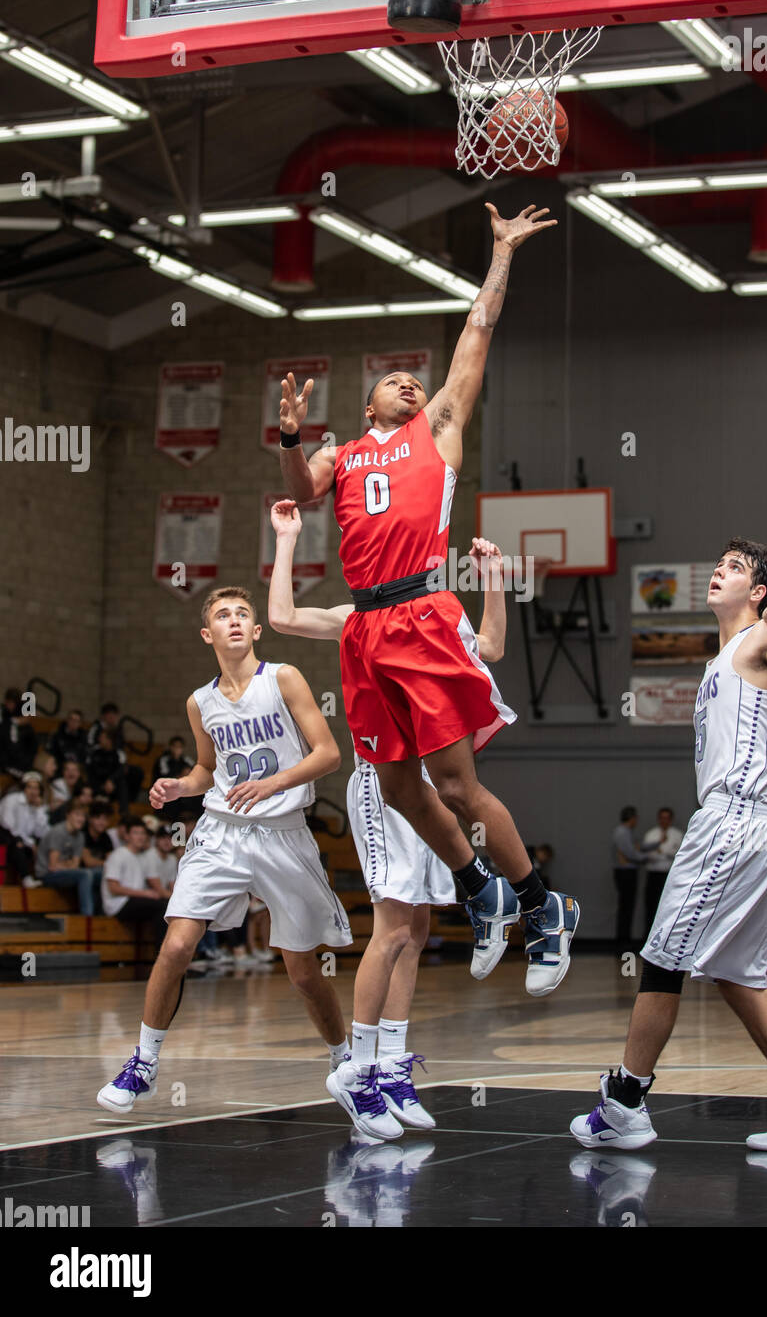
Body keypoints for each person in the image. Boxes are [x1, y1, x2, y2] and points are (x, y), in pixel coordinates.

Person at [277, 202, 579, 997]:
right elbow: (299, 489)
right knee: (397, 785)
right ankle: (479, 885)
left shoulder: (437, 431)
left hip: (420, 611)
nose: (411, 383)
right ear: (368, 403)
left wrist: (503, 255)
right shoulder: (339, 454)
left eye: (417, 379)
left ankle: (542, 905)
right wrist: (288, 439)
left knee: (455, 786)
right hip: (365, 626)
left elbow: (476, 332)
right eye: (394, 380)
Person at [570, 538, 767, 1154]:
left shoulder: (761, 637)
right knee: (738, 976)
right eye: (717, 562)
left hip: (737, 821)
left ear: (757, 592)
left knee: (664, 960)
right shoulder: (725, 653)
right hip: (758, 824)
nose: (719, 571)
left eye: (736, 568)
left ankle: (625, 1104)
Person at [270, 499, 508, 1136]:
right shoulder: (359, 614)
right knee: (394, 926)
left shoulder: (436, 615)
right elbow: (284, 617)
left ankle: (394, 1064)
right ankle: (359, 1069)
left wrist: (491, 581)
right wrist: (288, 538)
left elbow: (490, 646)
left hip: (428, 791)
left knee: (419, 927)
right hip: (385, 783)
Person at [97, 585, 352, 1114]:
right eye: (222, 615)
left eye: (242, 614)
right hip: (220, 832)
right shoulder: (199, 701)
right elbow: (207, 770)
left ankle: (344, 1061)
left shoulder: (283, 678)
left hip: (283, 832)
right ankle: (143, 1062)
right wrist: (180, 786)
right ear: (207, 633)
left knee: (304, 972)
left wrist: (275, 784)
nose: (234, 621)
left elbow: (328, 754)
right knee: (175, 945)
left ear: (256, 631)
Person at [100, 818, 169, 949]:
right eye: (136, 833)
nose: (141, 837)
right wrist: (144, 893)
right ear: (127, 836)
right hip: (118, 904)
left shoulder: (143, 856)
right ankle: (161, 954)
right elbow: (113, 888)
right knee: (162, 907)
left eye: (143, 833)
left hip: (135, 900)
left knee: (167, 906)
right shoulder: (118, 855)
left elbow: (155, 883)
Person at [34, 799, 102, 916]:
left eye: (83, 816)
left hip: (65, 872)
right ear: (68, 815)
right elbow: (53, 866)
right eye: (77, 815)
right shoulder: (58, 832)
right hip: (47, 875)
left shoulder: (80, 836)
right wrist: (68, 864)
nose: (81, 819)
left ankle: (102, 914)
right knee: (86, 874)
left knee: (101, 873)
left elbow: (75, 864)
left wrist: (66, 865)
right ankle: (87, 916)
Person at [638, 806, 684, 941]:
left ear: (671, 820)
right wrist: (665, 853)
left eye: (667, 818)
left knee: (669, 908)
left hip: (669, 876)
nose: (664, 821)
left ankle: (666, 940)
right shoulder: (651, 834)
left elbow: (678, 854)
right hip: (653, 875)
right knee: (651, 907)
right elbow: (647, 854)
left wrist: (662, 852)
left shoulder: (677, 834)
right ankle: (648, 939)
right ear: (659, 819)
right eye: (662, 818)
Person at [0, 772, 50, 885]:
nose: (33, 791)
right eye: (30, 787)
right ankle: (26, 878)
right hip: (5, 835)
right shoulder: (12, 800)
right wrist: (29, 843)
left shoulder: (35, 806)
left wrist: (39, 810)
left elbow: (42, 832)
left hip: (23, 840)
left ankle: (44, 876)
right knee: (17, 842)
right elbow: (8, 824)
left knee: (43, 845)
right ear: (24, 788)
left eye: (36, 788)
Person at [612, 807, 645, 948]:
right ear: (631, 818)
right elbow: (630, 852)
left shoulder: (627, 832)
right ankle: (623, 941)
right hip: (625, 873)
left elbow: (638, 847)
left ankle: (624, 939)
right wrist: (647, 858)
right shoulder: (622, 832)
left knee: (627, 906)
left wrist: (655, 845)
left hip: (627, 872)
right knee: (626, 907)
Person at [0, 687, 38, 779]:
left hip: (21, 761)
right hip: (7, 761)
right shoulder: (4, 717)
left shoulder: (25, 724)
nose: (9, 705)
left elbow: (32, 746)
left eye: (12, 703)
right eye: (8, 702)